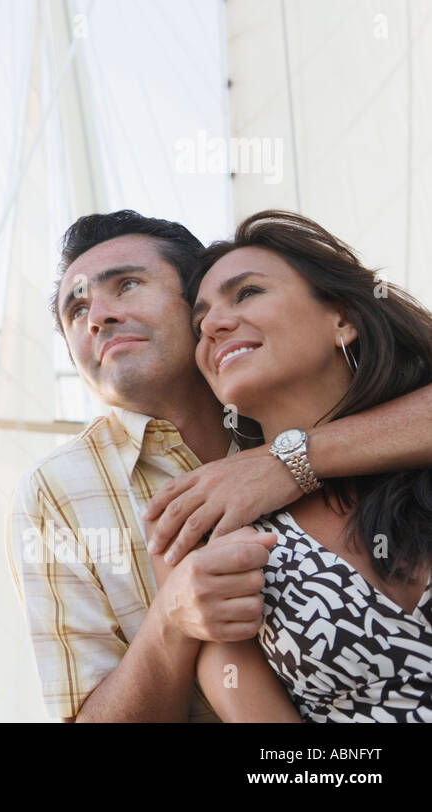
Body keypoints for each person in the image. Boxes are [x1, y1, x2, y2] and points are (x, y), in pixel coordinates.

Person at [7, 210, 432, 722]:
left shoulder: (399, 430)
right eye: (75, 311)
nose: (96, 315)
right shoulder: (64, 496)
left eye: (127, 285)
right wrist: (171, 620)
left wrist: (289, 461)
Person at [156, 210, 432, 722]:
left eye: (247, 293)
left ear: (343, 319)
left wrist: (292, 461)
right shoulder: (206, 530)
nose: (214, 325)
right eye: (199, 324)